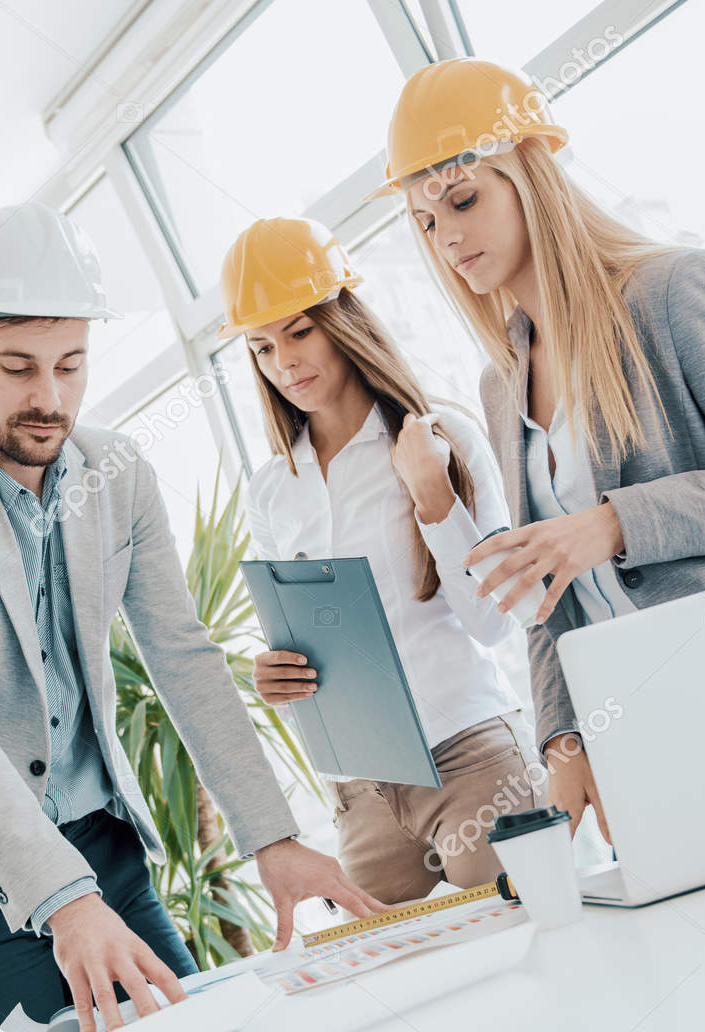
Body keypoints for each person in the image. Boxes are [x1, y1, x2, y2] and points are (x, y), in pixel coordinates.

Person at [0, 203, 387, 1032]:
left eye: (70, 366)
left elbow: (184, 656)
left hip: (100, 844)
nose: (48, 398)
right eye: (17, 368)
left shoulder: (118, 474)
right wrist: (61, 901)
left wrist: (272, 840)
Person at [377, 58, 705, 840]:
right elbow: (539, 589)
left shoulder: (673, 291)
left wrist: (611, 524)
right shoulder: (503, 383)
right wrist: (562, 735)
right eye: (428, 222)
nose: (447, 235)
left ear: (529, 175)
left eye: (463, 198)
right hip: (640, 723)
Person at [228, 217, 542, 902]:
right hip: (362, 789)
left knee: (517, 950)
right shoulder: (272, 491)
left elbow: (495, 623)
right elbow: (311, 651)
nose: (283, 362)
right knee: (390, 983)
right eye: (262, 346)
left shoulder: (445, 436)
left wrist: (432, 494)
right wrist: (276, 678)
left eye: (299, 331)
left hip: (469, 758)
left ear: (342, 320)